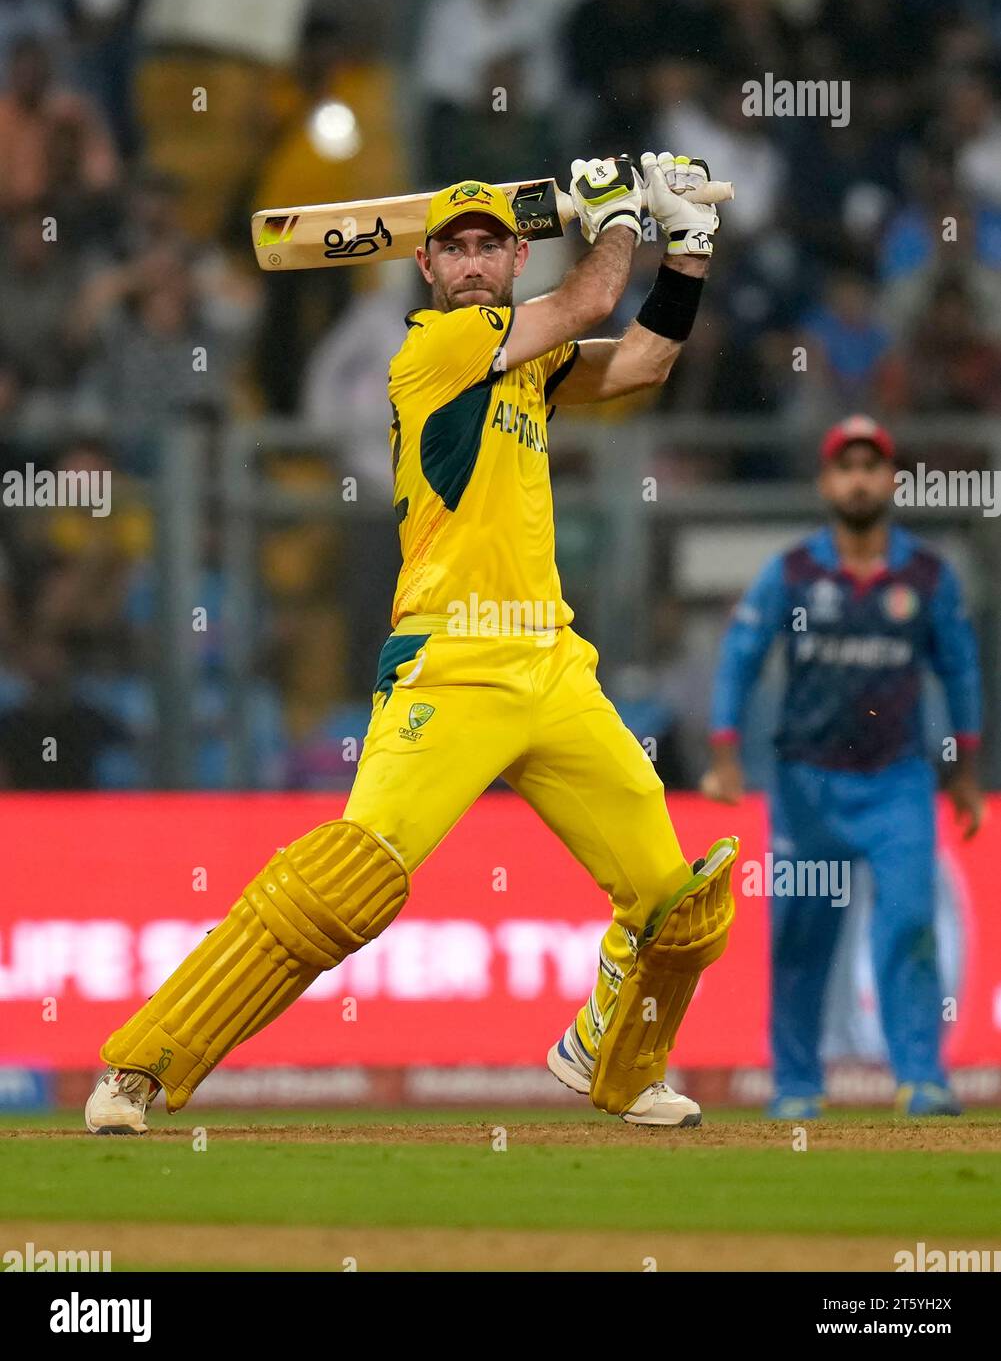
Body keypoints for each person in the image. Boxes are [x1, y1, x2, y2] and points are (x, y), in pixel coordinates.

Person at [86, 152, 738, 1135]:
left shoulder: (529, 366)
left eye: (488, 246)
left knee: (672, 902)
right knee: (347, 883)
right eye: (453, 248)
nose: (471, 260)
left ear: (514, 256)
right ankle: (139, 1069)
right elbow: (586, 299)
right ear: (427, 270)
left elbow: (642, 360)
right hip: (451, 660)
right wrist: (616, 220)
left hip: (551, 662)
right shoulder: (436, 347)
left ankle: (613, 1065)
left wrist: (685, 249)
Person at [702, 415, 985, 1119]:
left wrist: (964, 770)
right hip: (807, 783)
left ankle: (920, 1077)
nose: (859, 479)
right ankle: (796, 1085)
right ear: (826, 482)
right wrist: (724, 752)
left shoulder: (924, 575)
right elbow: (740, 655)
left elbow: (960, 670)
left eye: (871, 466)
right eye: (845, 467)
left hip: (897, 782)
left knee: (911, 921)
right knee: (801, 932)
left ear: (890, 480)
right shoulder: (793, 571)